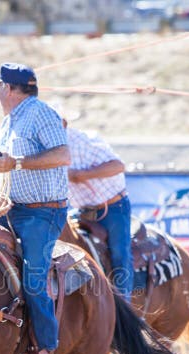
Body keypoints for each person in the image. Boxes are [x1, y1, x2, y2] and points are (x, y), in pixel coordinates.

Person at [0, 62, 69, 354]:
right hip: (13, 208)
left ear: (8, 89)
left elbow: (63, 154)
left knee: (34, 280)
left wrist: (17, 163)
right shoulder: (10, 121)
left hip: (42, 214)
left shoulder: (40, 114)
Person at [61, 115, 133, 301]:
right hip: (83, 209)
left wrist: (82, 175)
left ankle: (124, 304)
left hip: (112, 207)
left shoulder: (82, 143)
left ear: (63, 125)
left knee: (119, 253)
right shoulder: (46, 150)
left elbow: (118, 166)